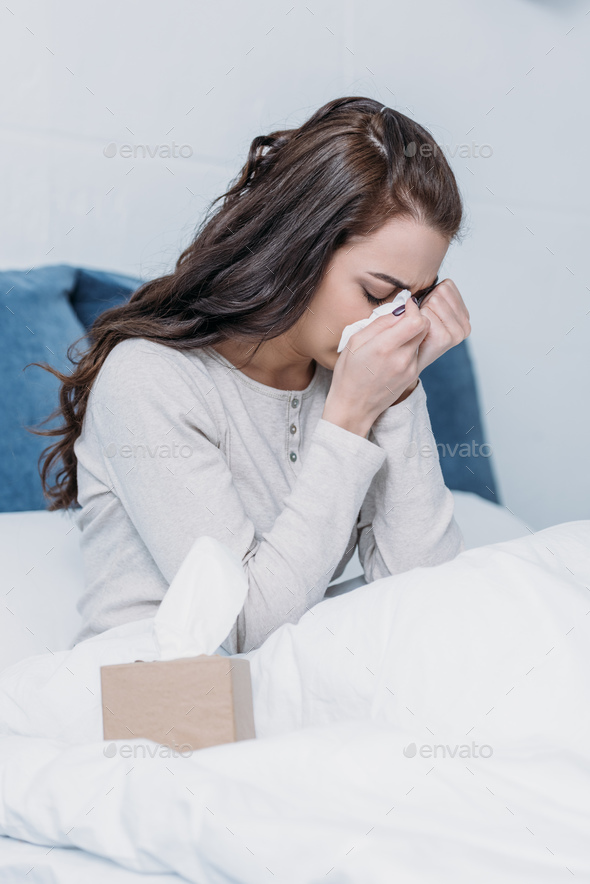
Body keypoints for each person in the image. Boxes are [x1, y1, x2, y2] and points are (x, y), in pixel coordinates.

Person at [32, 96, 471, 655]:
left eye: (415, 299)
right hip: (160, 703)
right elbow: (237, 631)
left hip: (298, 697)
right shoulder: (152, 380)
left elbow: (427, 600)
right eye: (378, 295)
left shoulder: (354, 381)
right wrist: (349, 418)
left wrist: (401, 391)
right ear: (297, 250)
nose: (394, 323)